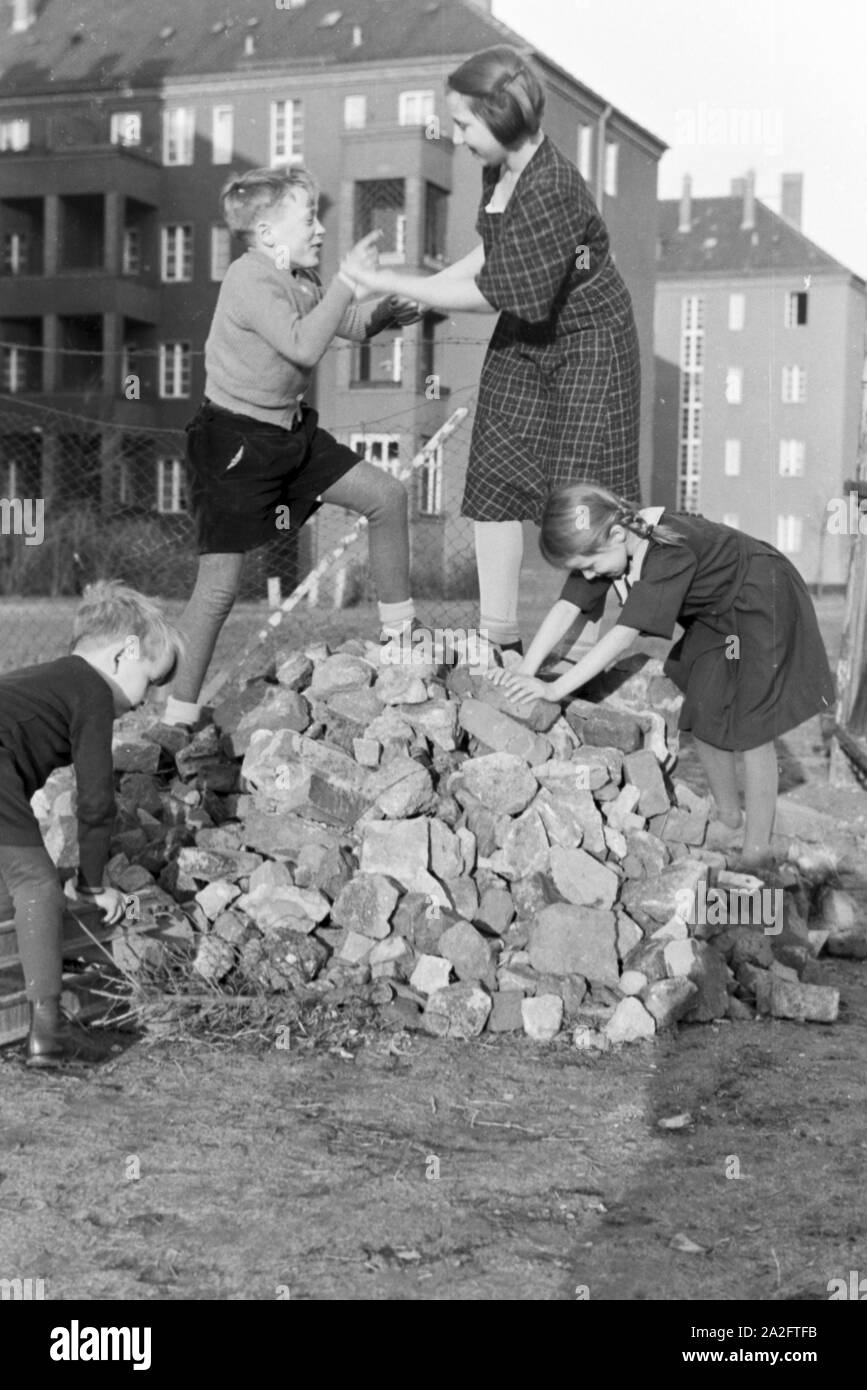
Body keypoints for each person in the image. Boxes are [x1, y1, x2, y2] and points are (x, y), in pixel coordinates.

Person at [348, 45, 642, 661]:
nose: (456, 138)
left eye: (463, 124)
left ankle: (579, 657)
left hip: (590, 340)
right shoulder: (498, 173)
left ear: (501, 116)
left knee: (586, 500)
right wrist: (421, 295)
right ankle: (500, 639)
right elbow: (489, 257)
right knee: (495, 476)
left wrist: (395, 282)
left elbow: (493, 291)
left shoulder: (555, 187)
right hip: (528, 332)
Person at [161, 167, 423, 731]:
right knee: (219, 590)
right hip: (234, 443)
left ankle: (403, 643)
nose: (321, 229)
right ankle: (175, 718)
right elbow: (304, 345)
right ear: (266, 231)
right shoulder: (248, 278)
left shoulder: (296, 272)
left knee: (387, 496)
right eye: (307, 218)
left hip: (289, 434)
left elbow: (339, 321)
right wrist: (351, 283)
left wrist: (380, 316)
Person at [488, 484, 836, 873]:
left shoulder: (667, 554)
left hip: (762, 598)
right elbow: (567, 606)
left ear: (617, 535)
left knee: (753, 727)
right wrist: (525, 669)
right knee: (702, 709)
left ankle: (756, 853)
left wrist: (553, 688)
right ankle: (727, 819)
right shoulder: (612, 541)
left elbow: (622, 636)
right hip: (717, 614)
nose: (588, 576)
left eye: (589, 566)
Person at [0, 581, 185, 1069]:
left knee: (8, 888)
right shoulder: (93, 691)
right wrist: (93, 882)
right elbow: (97, 798)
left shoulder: (55, 678)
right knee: (35, 883)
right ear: (125, 652)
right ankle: (47, 1036)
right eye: (150, 678)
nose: (146, 701)